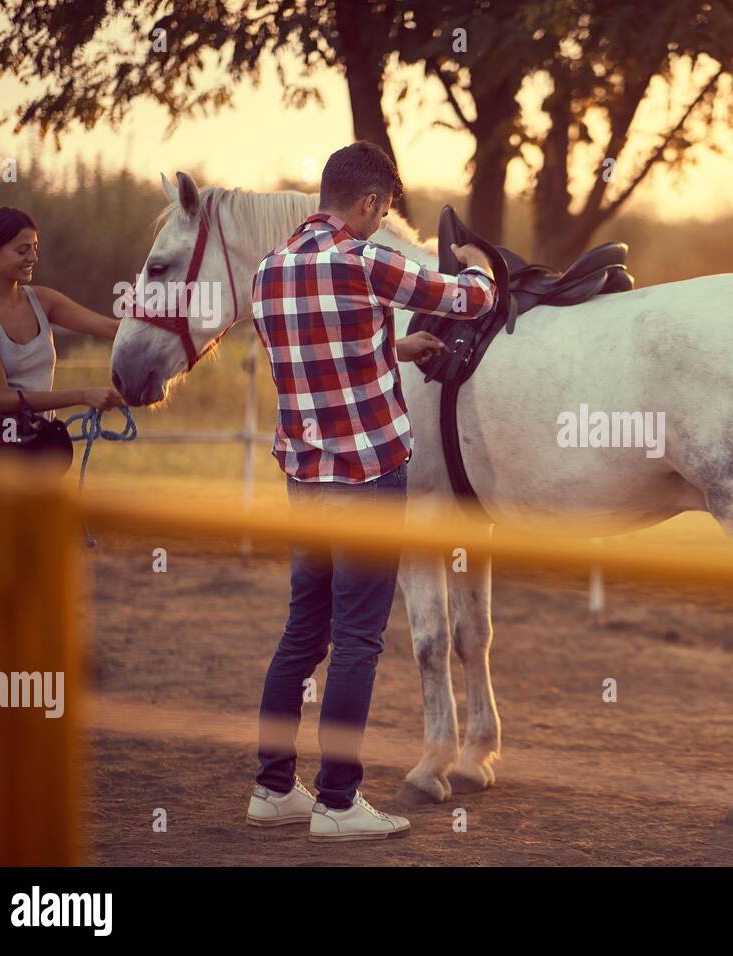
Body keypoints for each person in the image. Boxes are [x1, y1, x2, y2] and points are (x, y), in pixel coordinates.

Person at [246, 142, 498, 842]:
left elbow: (317, 353)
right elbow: (464, 300)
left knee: (304, 631)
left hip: (305, 479)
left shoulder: (271, 269)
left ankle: (272, 789)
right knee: (359, 638)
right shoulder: (367, 260)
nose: (381, 219)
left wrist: (396, 350)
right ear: (366, 204)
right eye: (382, 210)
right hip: (367, 479)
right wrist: (482, 268)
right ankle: (337, 802)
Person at [0, 206, 124, 770]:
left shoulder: (44, 300)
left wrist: (168, 333)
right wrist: (83, 392)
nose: (32, 257)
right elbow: (2, 398)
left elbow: (109, 327)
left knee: (36, 585)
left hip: (39, 454)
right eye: (21, 249)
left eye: (36, 246)